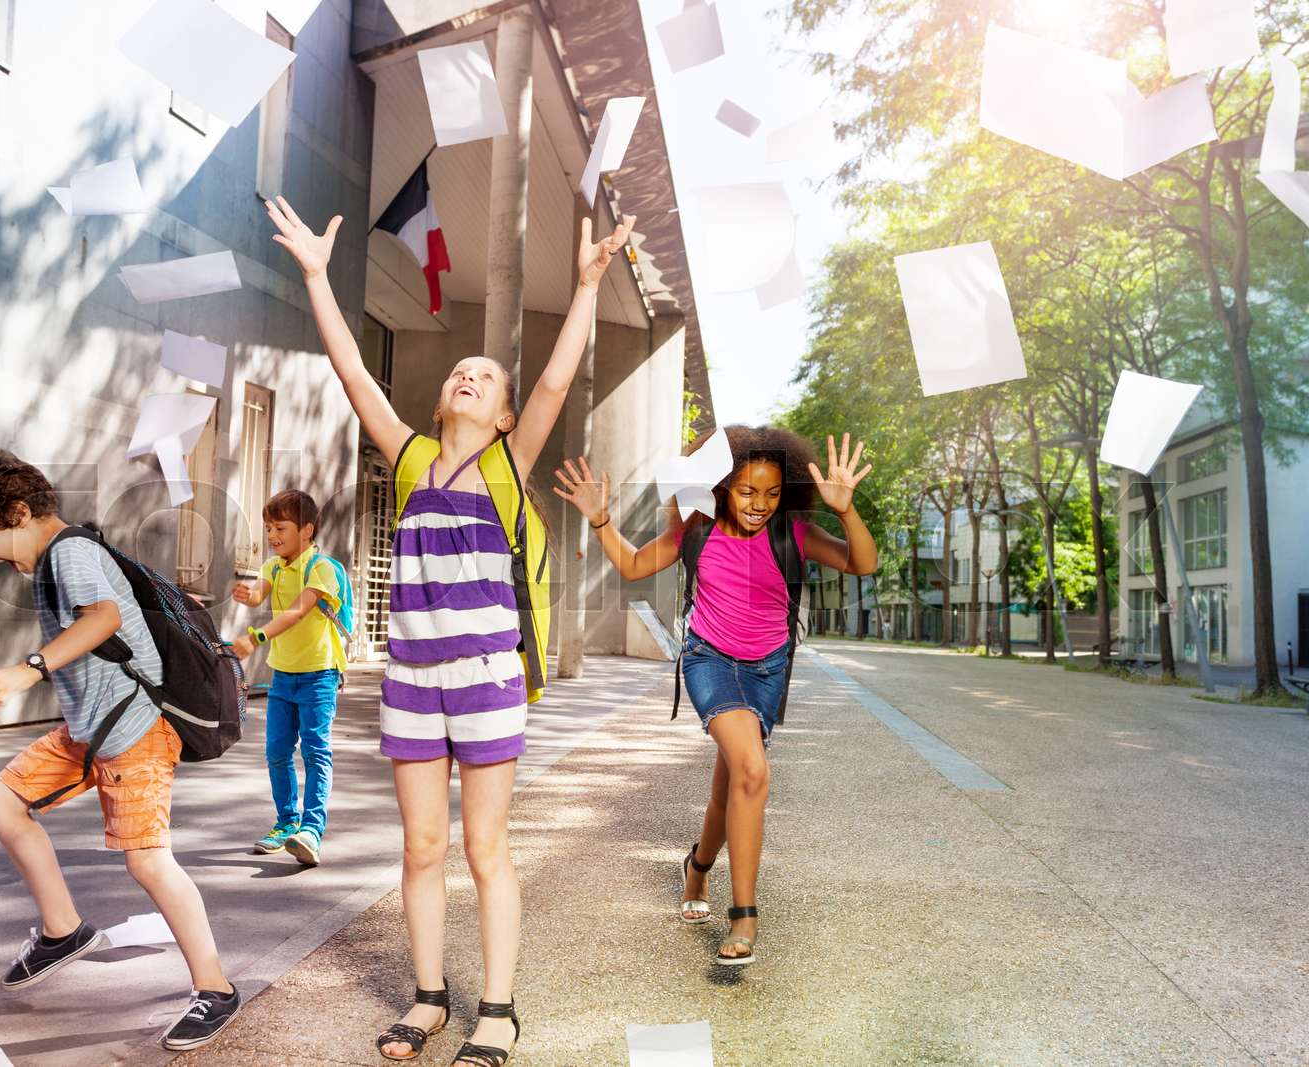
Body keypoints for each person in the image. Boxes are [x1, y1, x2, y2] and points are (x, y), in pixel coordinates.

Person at [265, 194, 633, 1066]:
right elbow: (355, 371)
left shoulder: (507, 457)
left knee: (483, 845)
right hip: (411, 682)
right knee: (423, 846)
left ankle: (497, 1008)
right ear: (440, 401)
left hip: (486, 680)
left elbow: (550, 379)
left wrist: (585, 287)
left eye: (485, 377)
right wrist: (319, 279)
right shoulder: (411, 453)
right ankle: (429, 997)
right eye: (458, 371)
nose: (468, 376)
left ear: (503, 414)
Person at [0, 447, 239, 1051]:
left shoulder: (71, 553)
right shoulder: (53, 557)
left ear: (18, 512)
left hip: (136, 727)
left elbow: (102, 618)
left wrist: (28, 669)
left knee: (147, 859)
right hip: (90, 728)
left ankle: (216, 988)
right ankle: (62, 931)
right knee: (2, 804)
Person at [553, 427, 877, 967]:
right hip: (711, 661)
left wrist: (846, 512)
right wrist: (600, 519)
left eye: (772, 494)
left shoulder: (792, 534)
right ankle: (744, 914)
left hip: (769, 669)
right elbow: (633, 566)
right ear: (724, 486)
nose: (760, 505)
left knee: (732, 788)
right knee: (752, 770)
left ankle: (698, 867)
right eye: (749, 491)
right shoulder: (696, 532)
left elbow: (862, 563)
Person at [230, 489, 348, 867]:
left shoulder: (322, 569)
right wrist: (247, 596)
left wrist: (255, 638)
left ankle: (311, 831)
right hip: (284, 676)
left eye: (280, 527)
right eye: (268, 528)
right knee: (277, 753)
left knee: (315, 752)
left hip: (319, 675)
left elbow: (298, 611)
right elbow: (259, 594)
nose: (272, 536)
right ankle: (286, 823)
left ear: (307, 530)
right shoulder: (274, 567)